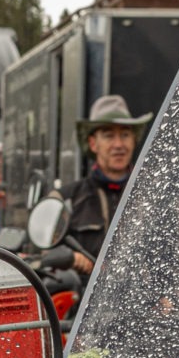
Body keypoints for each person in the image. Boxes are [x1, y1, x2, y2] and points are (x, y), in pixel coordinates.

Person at [65, 94, 145, 272]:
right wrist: (70, 257)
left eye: (125, 135)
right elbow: (43, 251)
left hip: (143, 298)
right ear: (93, 144)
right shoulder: (68, 199)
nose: (118, 144)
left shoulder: (153, 198)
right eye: (109, 136)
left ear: (134, 141)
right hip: (85, 298)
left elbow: (177, 258)